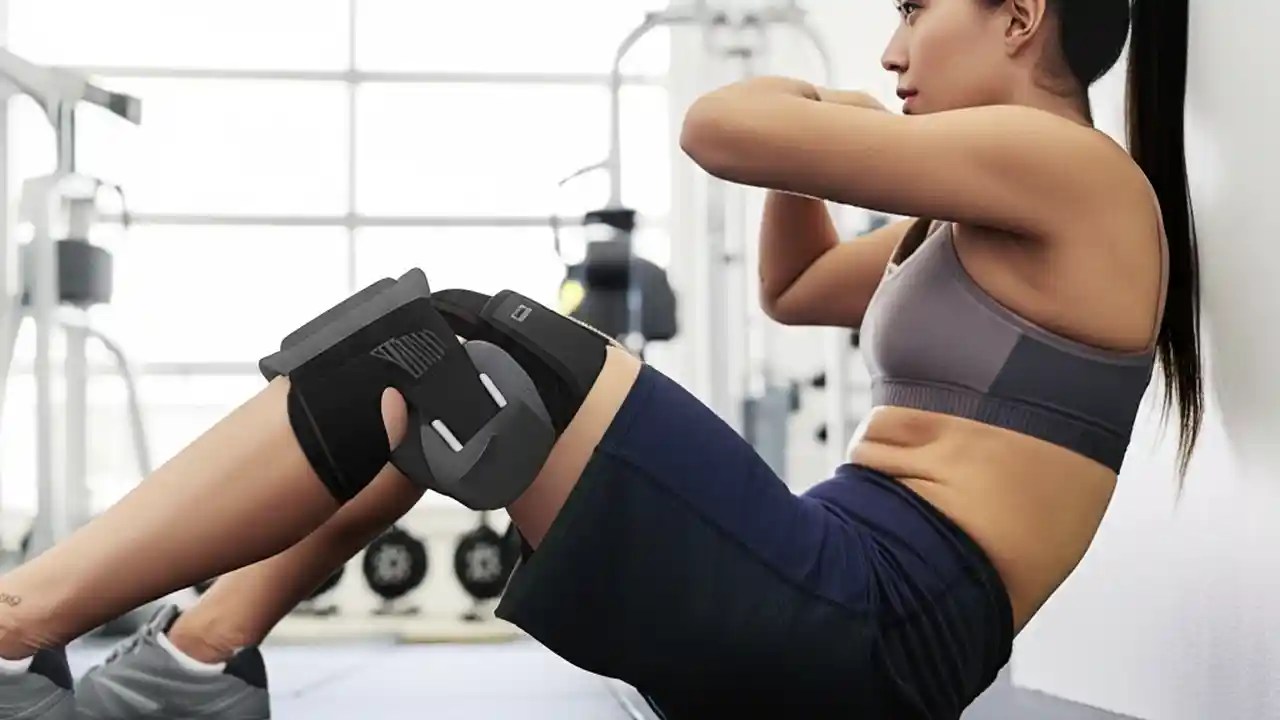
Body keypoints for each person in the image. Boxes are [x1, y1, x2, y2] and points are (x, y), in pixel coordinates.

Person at [0, 0, 1199, 717]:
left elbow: (715, 125)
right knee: (448, 395)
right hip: (842, 597)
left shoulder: (1071, 172)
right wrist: (824, 150)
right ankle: (196, 662)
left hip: (865, 623)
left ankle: (21, 615)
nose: (890, 51)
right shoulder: (984, 207)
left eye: (911, 9)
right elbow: (790, 290)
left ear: (1019, 13)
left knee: (451, 340)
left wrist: (812, 104)